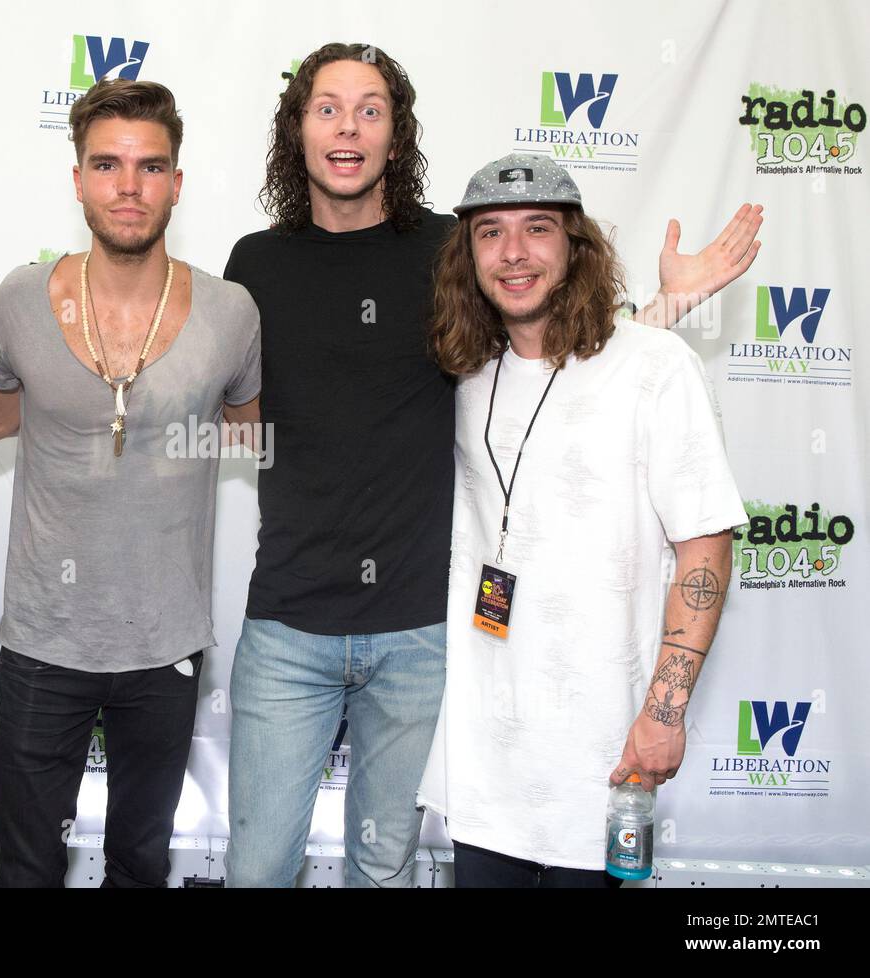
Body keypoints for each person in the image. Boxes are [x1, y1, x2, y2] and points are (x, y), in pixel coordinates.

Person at [222, 42, 762, 887]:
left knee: (385, 862)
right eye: (327, 107)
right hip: (288, 625)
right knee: (256, 870)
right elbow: (235, 411)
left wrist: (665, 313)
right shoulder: (254, 263)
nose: (349, 127)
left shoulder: (448, 245)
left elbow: (568, 349)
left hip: (423, 632)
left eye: (372, 109)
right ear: (296, 131)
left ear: (397, 138)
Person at [418, 153, 748, 887]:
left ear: (577, 246)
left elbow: (705, 550)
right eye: (490, 233)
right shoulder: (466, 371)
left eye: (538, 228)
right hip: (486, 769)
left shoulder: (660, 368)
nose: (514, 253)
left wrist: (664, 712)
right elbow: (564, 388)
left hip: (606, 758)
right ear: (466, 256)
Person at [0, 79, 262, 888]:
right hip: (41, 638)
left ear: (177, 182)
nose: (128, 187)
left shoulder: (233, 311)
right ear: (77, 181)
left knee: (140, 861)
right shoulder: (21, 298)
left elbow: (257, 433)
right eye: (107, 165)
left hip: (165, 642)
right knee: (25, 864)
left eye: (150, 167)